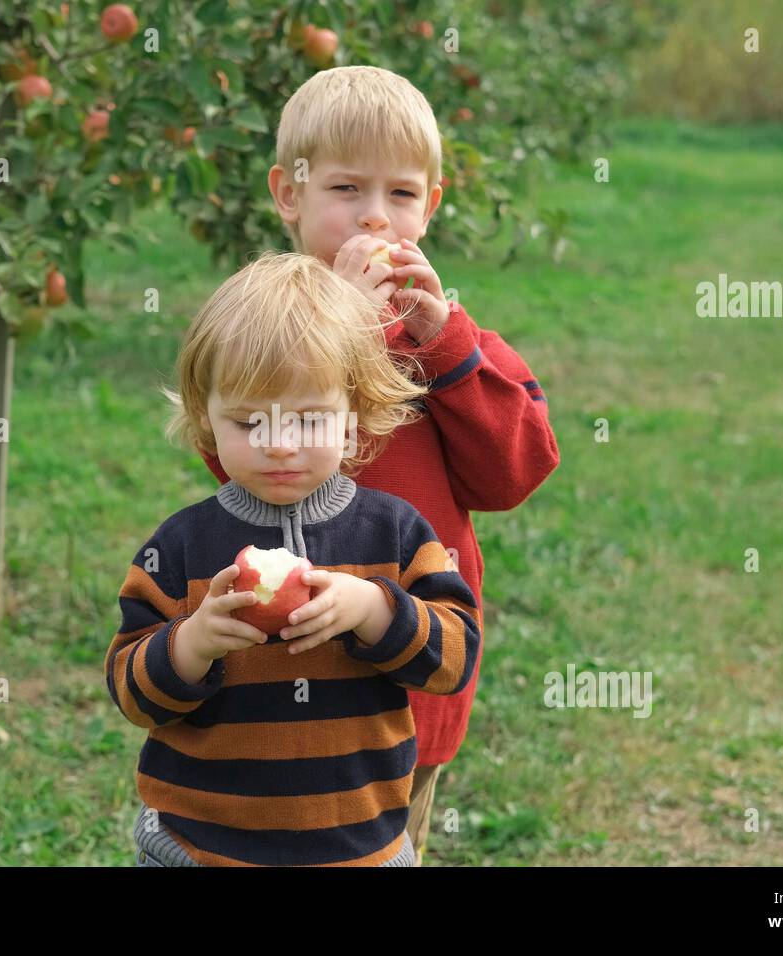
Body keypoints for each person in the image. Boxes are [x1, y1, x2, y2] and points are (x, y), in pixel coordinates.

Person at [199, 65, 560, 864]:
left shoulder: (452, 348)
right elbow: (235, 458)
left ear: (430, 207)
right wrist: (342, 338)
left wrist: (450, 348)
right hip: (285, 675)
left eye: (400, 195)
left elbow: (514, 475)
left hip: (408, 671)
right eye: (345, 189)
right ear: (288, 195)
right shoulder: (262, 337)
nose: (373, 216)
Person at [105, 252, 480, 866]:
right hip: (202, 849)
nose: (280, 446)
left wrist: (375, 611)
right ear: (206, 418)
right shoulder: (179, 547)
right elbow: (131, 692)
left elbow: (454, 660)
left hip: (357, 848)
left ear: (353, 418)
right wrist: (193, 644)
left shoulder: (394, 534)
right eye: (250, 421)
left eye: (309, 420)